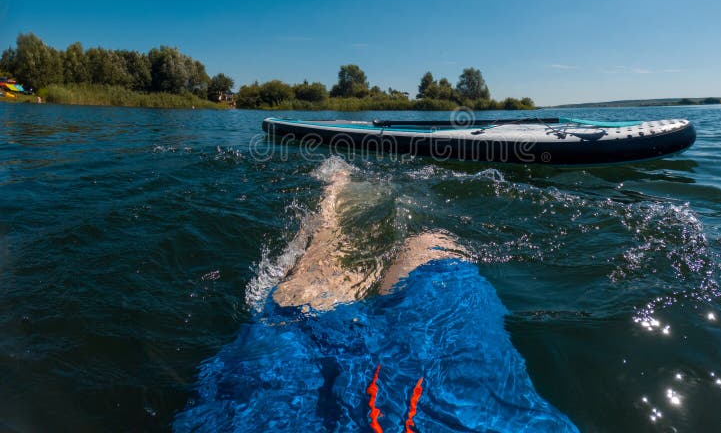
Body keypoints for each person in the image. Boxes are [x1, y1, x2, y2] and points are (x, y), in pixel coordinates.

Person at [174, 164, 577, 432]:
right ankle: (339, 199)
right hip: (455, 402)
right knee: (429, 244)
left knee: (318, 285)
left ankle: (334, 195)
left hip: (290, 400)